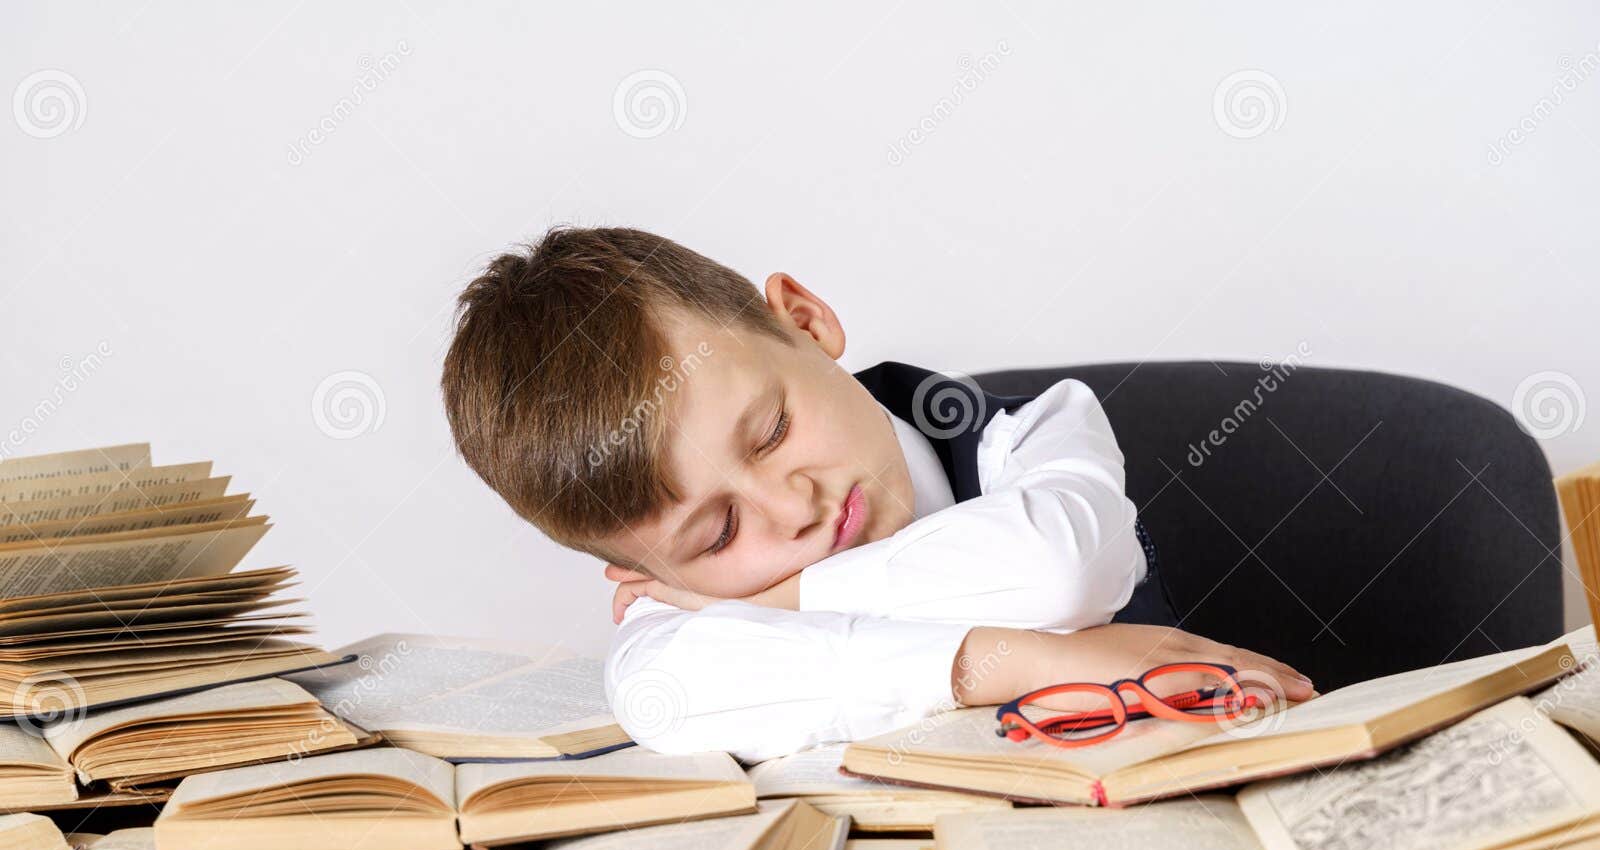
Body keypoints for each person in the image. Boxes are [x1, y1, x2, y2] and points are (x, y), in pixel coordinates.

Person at [440, 226, 1313, 762]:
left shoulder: (1034, 433)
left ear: (805, 322)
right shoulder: (676, 626)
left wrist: (790, 594)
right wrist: (1014, 665)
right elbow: (655, 694)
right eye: (719, 533)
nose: (794, 506)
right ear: (634, 573)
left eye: (772, 431)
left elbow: (1057, 570)